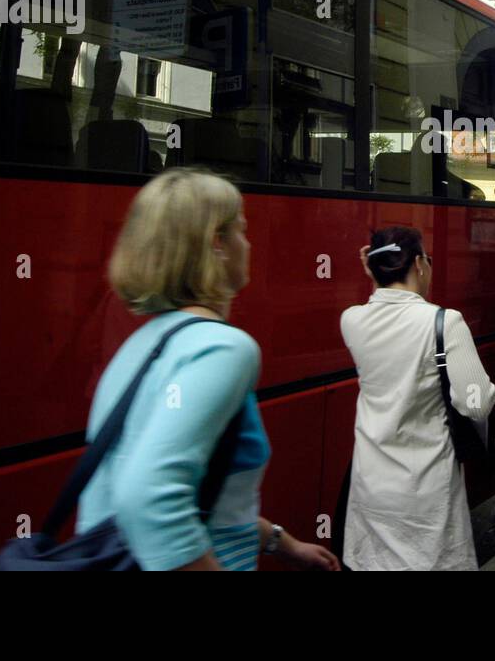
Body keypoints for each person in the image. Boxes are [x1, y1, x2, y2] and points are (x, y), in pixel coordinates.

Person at [77, 168, 339, 571]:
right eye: (242, 231)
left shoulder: (142, 345)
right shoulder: (222, 347)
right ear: (218, 243)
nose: (249, 244)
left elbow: (203, 497)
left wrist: (281, 542)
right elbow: (151, 496)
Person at [340, 226, 495, 570]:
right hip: (425, 492)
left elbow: (380, 307)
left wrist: (377, 278)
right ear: (419, 265)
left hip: (371, 488)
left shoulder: (351, 321)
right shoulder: (444, 323)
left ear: (375, 269)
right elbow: (476, 402)